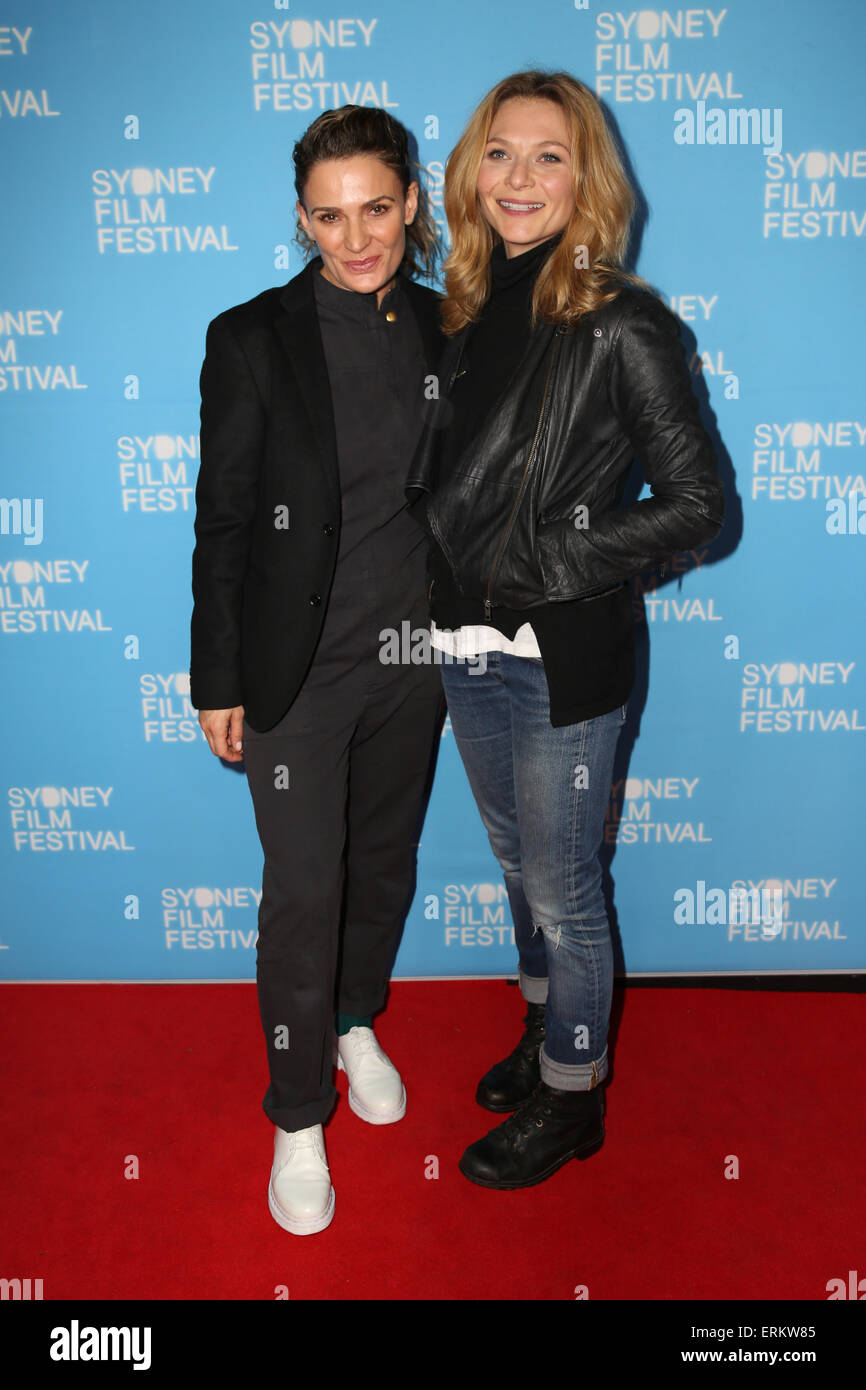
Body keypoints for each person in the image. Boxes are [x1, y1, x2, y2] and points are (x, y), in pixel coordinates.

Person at [407, 71, 725, 1189]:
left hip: (565, 655)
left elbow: (699, 507)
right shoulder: (458, 307)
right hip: (465, 644)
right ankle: (545, 1032)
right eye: (499, 153)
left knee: (562, 887)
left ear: (586, 175)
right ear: (469, 171)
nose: (519, 178)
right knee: (513, 861)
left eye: (547, 155)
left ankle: (572, 1093)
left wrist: (550, 565)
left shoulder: (624, 322)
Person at [190, 106, 445, 1234]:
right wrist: (216, 676)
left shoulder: (453, 327)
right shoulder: (249, 338)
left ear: (409, 206)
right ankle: (297, 1113)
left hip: (416, 659)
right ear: (301, 217)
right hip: (297, 672)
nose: (356, 239)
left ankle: (354, 1022)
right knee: (303, 892)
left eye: (376, 210)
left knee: (381, 863)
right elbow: (224, 520)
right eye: (330, 216)